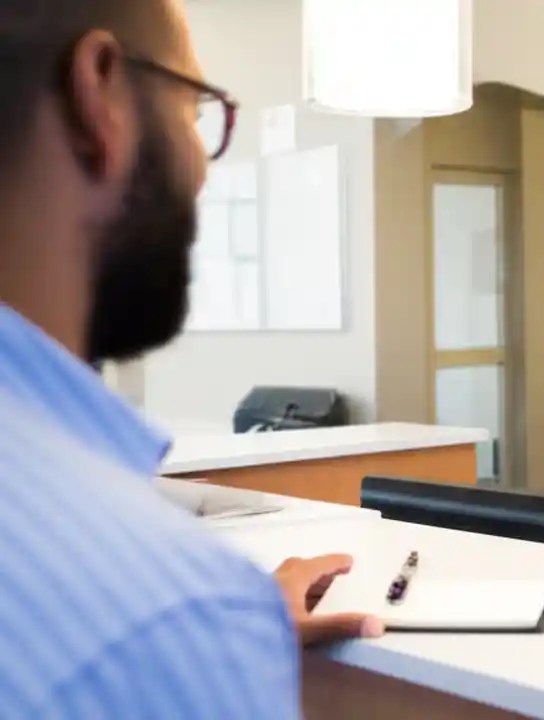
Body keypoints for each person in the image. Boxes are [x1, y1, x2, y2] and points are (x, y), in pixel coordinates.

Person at [0, 2, 380, 716]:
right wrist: (206, 631)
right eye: (197, 111)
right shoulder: (171, 619)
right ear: (100, 95)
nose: (203, 173)